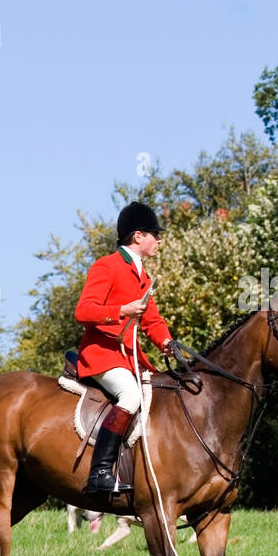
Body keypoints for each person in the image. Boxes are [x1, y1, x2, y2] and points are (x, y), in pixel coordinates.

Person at [74, 202, 175, 494]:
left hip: (128, 359)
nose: (159, 240)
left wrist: (166, 342)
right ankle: (100, 473)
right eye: (155, 234)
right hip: (101, 355)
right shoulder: (107, 265)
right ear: (138, 236)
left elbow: (152, 321)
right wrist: (121, 310)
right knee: (130, 395)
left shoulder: (142, 275)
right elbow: (83, 311)